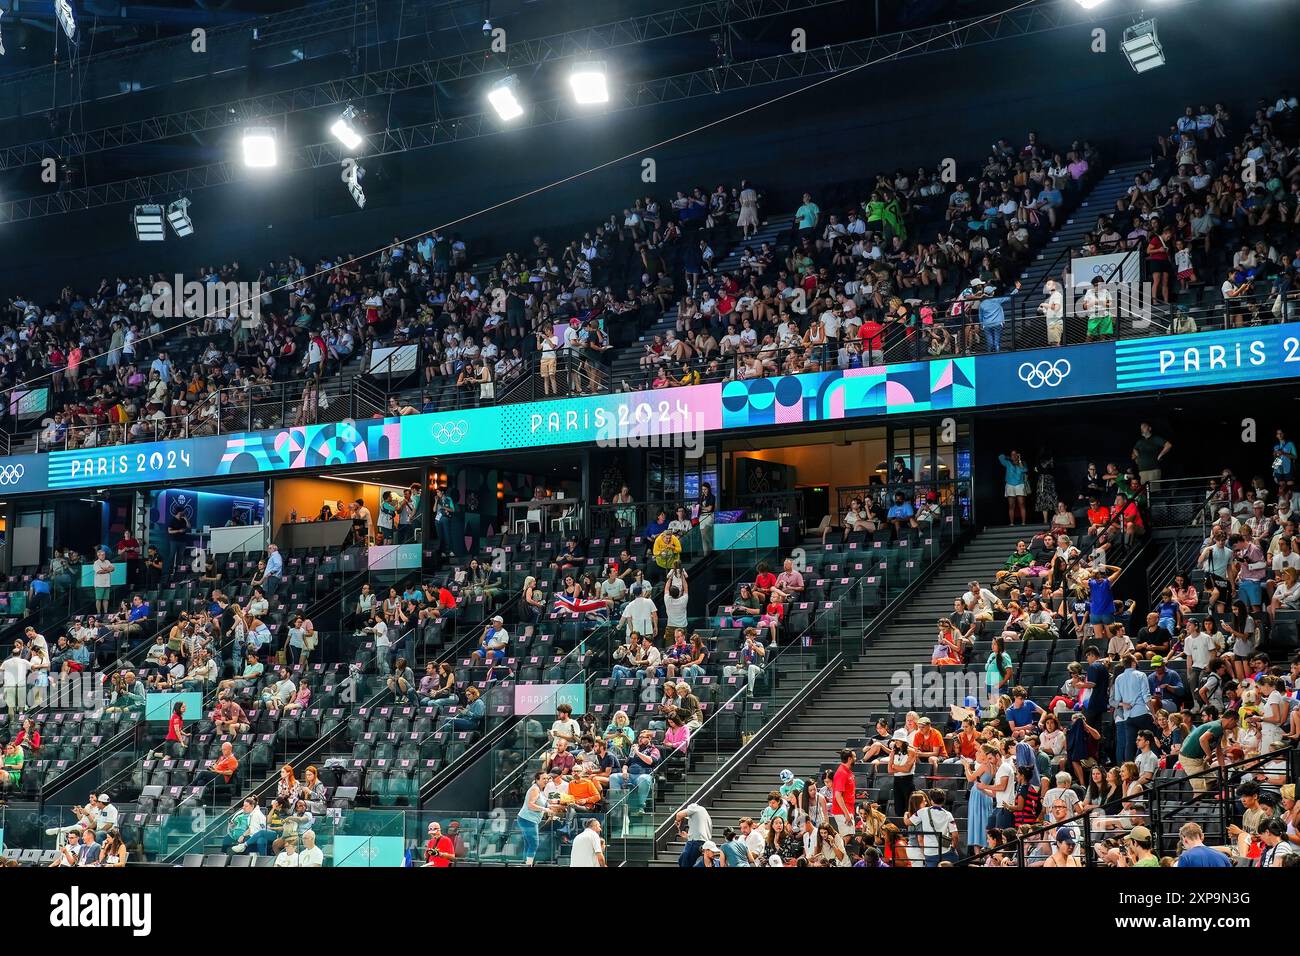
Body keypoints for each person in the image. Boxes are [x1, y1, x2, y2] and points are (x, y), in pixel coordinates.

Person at [675, 802, 713, 868]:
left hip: (694, 842)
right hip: (703, 844)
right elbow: (702, 834)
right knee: (685, 861)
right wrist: (688, 836)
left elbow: (679, 815)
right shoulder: (705, 814)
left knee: (684, 861)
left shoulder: (694, 808)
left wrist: (678, 821)